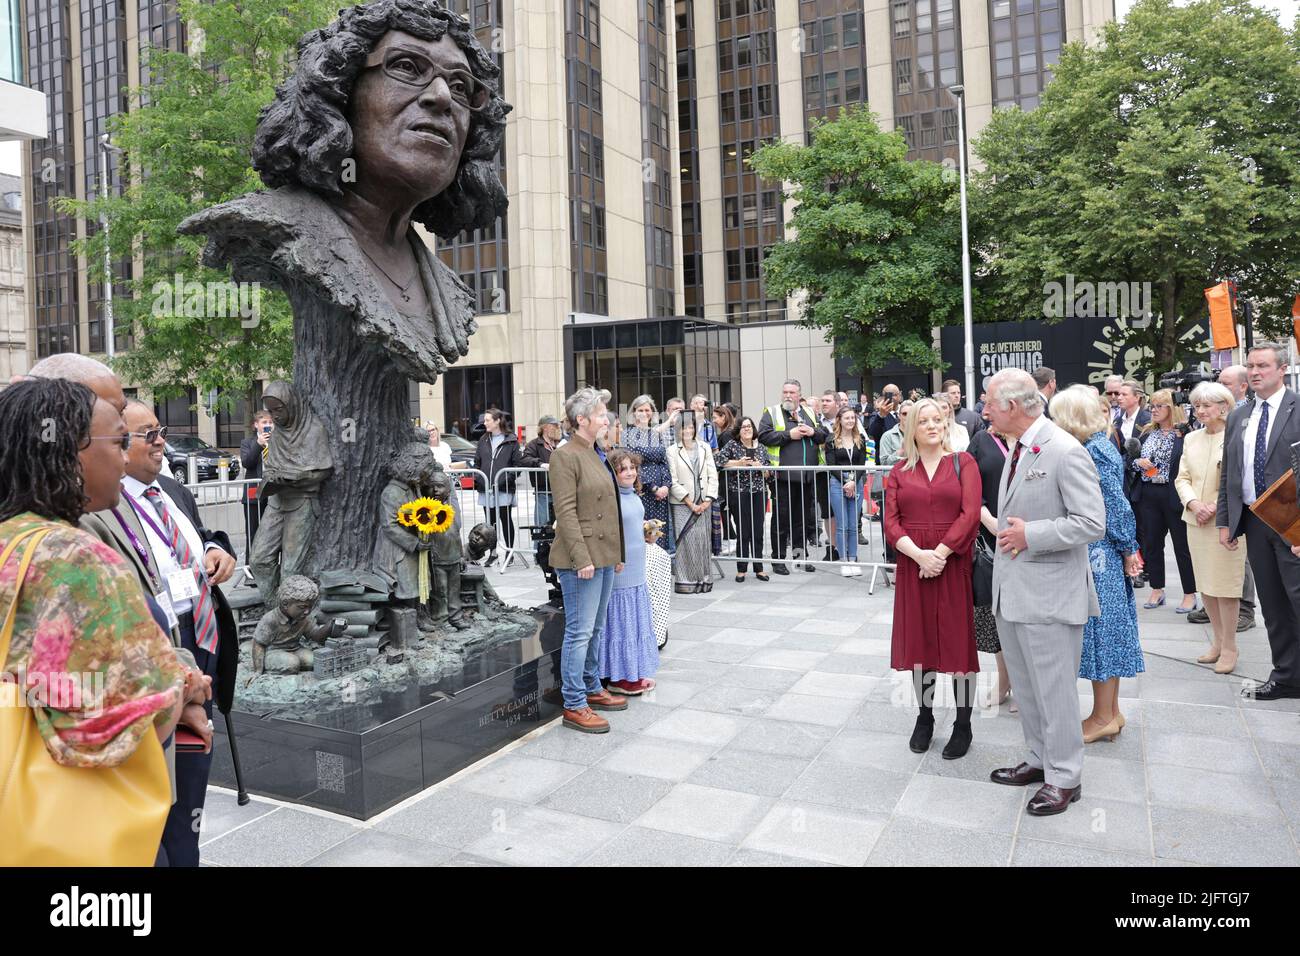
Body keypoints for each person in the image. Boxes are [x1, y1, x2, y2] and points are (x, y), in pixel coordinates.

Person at [0, 377, 186, 864]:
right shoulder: (78, 560)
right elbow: (124, 724)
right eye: (120, 441)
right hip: (74, 839)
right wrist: (187, 690)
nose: (127, 458)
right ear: (68, 453)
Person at [112, 400, 239, 866]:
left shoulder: (170, 487)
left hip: (201, 641)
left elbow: (202, 533)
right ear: (119, 445)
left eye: (160, 430)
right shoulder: (108, 505)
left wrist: (215, 548)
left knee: (192, 768)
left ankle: (186, 851)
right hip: (160, 648)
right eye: (149, 434)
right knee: (159, 781)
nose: (161, 441)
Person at [985, 369, 1104, 817]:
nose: (985, 409)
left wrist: (1031, 534)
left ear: (1013, 407)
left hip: (1050, 596)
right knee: (1029, 691)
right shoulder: (1018, 445)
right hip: (1013, 592)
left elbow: (1092, 523)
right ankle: (1038, 760)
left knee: (1055, 692)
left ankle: (1065, 778)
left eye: (990, 401)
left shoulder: (1064, 450)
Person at [884, 398, 982, 758]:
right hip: (915, 564)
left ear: (945, 424)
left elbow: (970, 514)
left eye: (937, 419)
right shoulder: (899, 471)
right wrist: (920, 555)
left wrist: (939, 554)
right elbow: (891, 522)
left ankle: (963, 724)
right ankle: (924, 718)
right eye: (923, 420)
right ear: (912, 428)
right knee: (920, 643)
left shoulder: (963, 462)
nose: (931, 425)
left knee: (959, 644)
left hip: (951, 564)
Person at [1052, 386, 1144, 744]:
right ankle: (1111, 712)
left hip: (1100, 554)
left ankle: (1103, 714)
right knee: (1106, 629)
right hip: (1101, 551)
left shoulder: (1094, 449)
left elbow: (1115, 505)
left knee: (1102, 632)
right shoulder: (1096, 445)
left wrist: (1128, 547)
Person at [1217, 342, 1300, 700]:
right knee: (1273, 605)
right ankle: (1287, 676)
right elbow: (1230, 473)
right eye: (1250, 366)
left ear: (1282, 369)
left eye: (1262, 366)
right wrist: (1226, 520)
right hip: (1254, 521)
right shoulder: (1239, 415)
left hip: (1292, 523)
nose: (1254, 372)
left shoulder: (1298, 408)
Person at [548, 386, 628, 733]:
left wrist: (617, 554)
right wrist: (582, 557)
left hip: (604, 555)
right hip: (580, 558)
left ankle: (592, 686)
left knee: (595, 627)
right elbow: (565, 512)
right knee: (579, 632)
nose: (605, 419)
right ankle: (574, 703)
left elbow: (610, 508)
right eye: (599, 415)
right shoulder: (565, 456)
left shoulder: (597, 452)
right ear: (582, 420)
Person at [1175, 381, 1245, 673]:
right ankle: (1217, 642)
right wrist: (1193, 504)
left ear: (1224, 407)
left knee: (1225, 587)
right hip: (1196, 521)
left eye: (1206, 405)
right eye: (1197, 405)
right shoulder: (1192, 438)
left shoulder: (1236, 436)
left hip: (1225, 522)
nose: (1200, 410)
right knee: (1206, 586)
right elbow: (1182, 478)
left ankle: (1230, 647)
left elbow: (1239, 479)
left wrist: (1214, 506)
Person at [598, 449, 659, 695]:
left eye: (632, 467)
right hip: (620, 569)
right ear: (613, 472)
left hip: (636, 568)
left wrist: (647, 534)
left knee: (633, 622)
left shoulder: (633, 495)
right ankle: (619, 677)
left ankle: (631, 671)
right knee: (620, 623)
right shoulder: (610, 498)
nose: (630, 472)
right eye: (623, 469)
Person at [966, 405, 1015, 709]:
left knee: (1024, 615)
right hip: (991, 538)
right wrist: (988, 521)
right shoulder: (981, 442)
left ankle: (1025, 684)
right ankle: (1004, 681)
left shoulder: (1032, 440)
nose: (988, 412)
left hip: (1028, 537)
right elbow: (970, 488)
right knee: (998, 613)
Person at [1131, 388, 1197, 612]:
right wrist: (1138, 463)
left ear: (1172, 409)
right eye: (1152, 406)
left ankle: (1189, 593)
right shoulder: (1148, 433)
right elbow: (1131, 460)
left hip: (1173, 494)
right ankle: (1157, 589)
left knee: (1182, 546)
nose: (1154, 410)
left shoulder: (1185, 434)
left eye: (1160, 406)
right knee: (1152, 545)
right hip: (1149, 493)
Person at [758, 380, 828, 573]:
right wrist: (790, 434)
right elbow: (763, 436)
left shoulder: (810, 413)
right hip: (783, 477)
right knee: (781, 520)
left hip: (806, 477)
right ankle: (778, 560)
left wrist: (813, 431)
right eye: (785, 392)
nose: (788, 395)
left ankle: (799, 558)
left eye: (792, 392)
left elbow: (824, 436)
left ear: (799, 395)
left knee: (802, 520)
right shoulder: (771, 412)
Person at [667, 411, 719, 593]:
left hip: (704, 501)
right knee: (686, 542)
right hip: (683, 503)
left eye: (691, 427)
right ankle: (686, 582)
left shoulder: (705, 447)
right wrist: (690, 502)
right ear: (678, 430)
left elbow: (713, 475)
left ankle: (704, 581)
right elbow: (671, 480)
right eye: (684, 427)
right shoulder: (672, 451)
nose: (688, 430)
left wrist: (708, 500)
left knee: (702, 542)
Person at [715, 416, 771, 582]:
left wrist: (761, 467)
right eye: (743, 427)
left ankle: (759, 568)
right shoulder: (733, 445)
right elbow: (717, 461)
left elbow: (769, 473)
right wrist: (737, 463)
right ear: (738, 431)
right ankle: (741, 569)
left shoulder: (761, 447)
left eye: (749, 426)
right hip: (738, 492)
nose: (747, 429)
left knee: (758, 530)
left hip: (759, 492)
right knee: (743, 530)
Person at [825, 406, 872, 577]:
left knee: (853, 523)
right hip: (838, 482)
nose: (850, 421)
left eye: (853, 418)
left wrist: (853, 481)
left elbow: (862, 463)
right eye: (847, 418)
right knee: (842, 523)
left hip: (857, 481)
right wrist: (846, 481)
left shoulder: (859, 438)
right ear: (840, 420)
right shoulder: (831, 439)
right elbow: (831, 465)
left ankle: (853, 558)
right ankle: (844, 560)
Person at [471, 407, 521, 566]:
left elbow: (516, 465)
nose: (484, 423)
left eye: (487, 420)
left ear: (497, 421)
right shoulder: (483, 440)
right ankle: (492, 552)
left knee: (506, 520)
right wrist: (479, 479)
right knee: (489, 523)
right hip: (486, 489)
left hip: (504, 488)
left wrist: (505, 479)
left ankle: (509, 552)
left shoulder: (511, 440)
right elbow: (477, 462)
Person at [624, 396, 673, 552]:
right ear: (633, 413)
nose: (644, 413)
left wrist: (665, 486)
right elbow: (633, 466)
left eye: (647, 410)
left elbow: (663, 462)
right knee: (645, 531)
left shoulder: (655, 434)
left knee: (660, 531)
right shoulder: (628, 435)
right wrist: (653, 488)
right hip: (643, 491)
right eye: (640, 410)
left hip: (661, 494)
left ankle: (660, 568)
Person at [520, 414, 562, 527]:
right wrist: (540, 464)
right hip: (544, 490)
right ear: (545, 427)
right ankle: (539, 545)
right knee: (542, 526)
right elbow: (524, 459)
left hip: (562, 490)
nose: (558, 428)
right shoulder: (534, 444)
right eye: (554, 425)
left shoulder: (561, 444)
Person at [877, 400, 912, 467]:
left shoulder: (920, 435)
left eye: (911, 414)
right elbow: (884, 463)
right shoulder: (887, 436)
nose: (908, 417)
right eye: (905, 414)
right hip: (896, 476)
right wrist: (901, 452)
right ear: (899, 415)